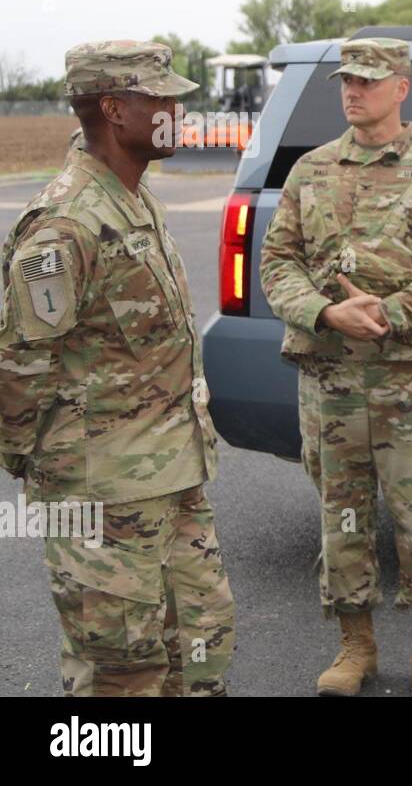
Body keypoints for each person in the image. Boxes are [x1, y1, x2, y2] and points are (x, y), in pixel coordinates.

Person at [0, 40, 235, 696]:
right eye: (160, 99)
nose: (176, 111)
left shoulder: (134, 197)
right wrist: (47, 474)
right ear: (114, 110)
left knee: (202, 651)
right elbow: (19, 362)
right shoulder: (65, 223)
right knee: (121, 674)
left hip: (174, 476)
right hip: (102, 497)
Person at [260, 37, 412, 697]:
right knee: (343, 515)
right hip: (332, 375)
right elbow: (278, 262)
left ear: (401, 88)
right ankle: (354, 646)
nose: (353, 91)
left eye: (367, 80)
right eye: (346, 81)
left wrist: (387, 313)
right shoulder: (311, 170)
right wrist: (327, 315)